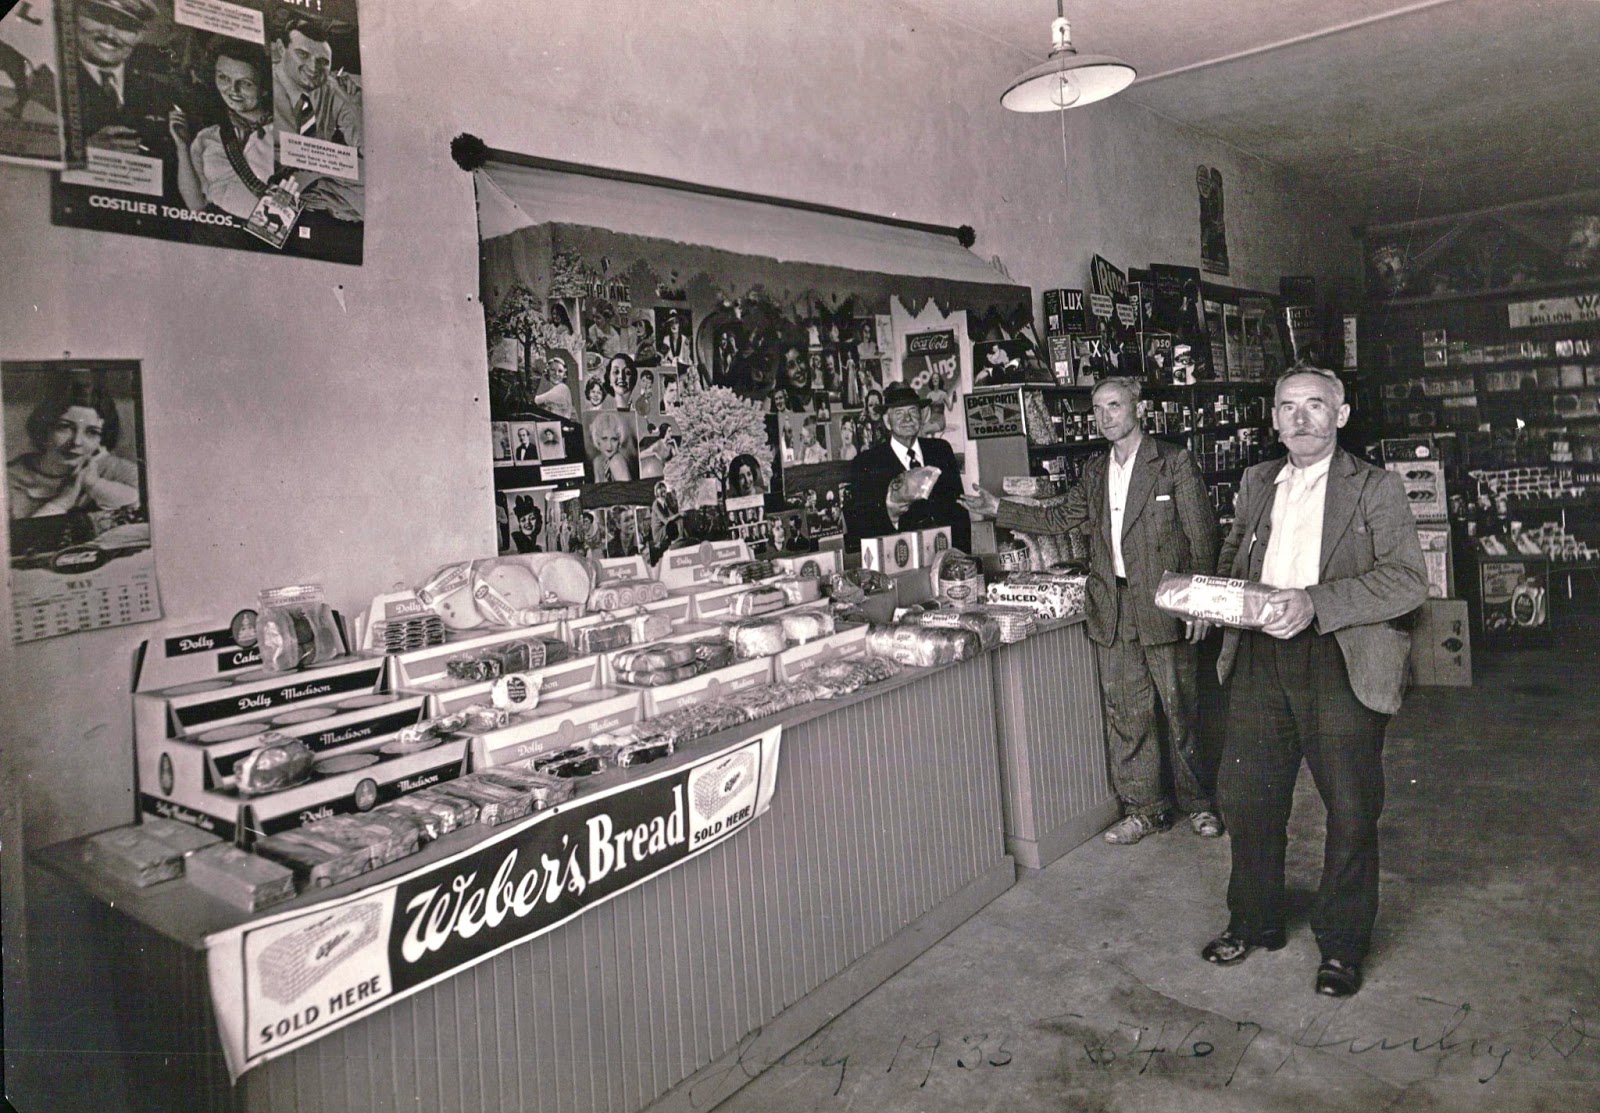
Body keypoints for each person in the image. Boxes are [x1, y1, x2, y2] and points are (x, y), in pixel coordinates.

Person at [1196, 368, 1426, 998]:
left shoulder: (1376, 487)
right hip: (1259, 660)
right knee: (1248, 798)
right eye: (1288, 406)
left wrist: (1316, 602)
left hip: (1337, 657)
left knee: (1351, 808)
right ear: (1273, 417)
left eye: (1315, 406)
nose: (1300, 418)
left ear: (1341, 415)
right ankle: (1254, 919)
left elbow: (1408, 580)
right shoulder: (1256, 481)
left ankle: (1343, 946)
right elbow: (1235, 552)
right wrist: (1214, 599)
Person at [965, 376, 1221, 845]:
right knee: (1128, 714)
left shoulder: (1173, 463)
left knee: (1182, 709)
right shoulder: (1095, 470)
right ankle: (1144, 809)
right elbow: (1058, 517)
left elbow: (1203, 537)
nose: (1105, 416)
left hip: (1166, 605)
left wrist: (1201, 604)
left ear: (1137, 409)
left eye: (1114, 405)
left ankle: (1200, 802)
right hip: (1114, 606)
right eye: (1098, 409)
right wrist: (998, 508)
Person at [70, 0, 180, 192]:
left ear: (138, 36)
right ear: (75, 18)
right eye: (99, 17)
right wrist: (82, 151)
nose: (110, 34)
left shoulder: (160, 93)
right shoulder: (47, 82)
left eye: (125, 25)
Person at [846, 382, 970, 552]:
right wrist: (891, 513)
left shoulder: (941, 450)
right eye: (899, 413)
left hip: (945, 557)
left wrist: (963, 556)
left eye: (912, 411)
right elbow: (861, 528)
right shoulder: (866, 464)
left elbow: (959, 512)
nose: (907, 419)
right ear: (887, 421)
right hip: (899, 562)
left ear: (922, 417)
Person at [270, 11, 362, 222]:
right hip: (282, 190)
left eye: (322, 61)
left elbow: (365, 144)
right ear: (281, 49)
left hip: (318, 188)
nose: (313, 67)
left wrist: (347, 98)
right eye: (302, 54)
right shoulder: (264, 87)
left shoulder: (331, 88)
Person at [169, 41, 278, 220]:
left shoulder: (283, 136)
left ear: (264, 87)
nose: (232, 90)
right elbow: (196, 205)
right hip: (218, 233)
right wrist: (182, 147)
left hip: (263, 240)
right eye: (223, 78)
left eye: (246, 83)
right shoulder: (207, 137)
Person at [8, 374, 141, 520]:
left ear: (101, 439)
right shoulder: (8, 479)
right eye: (64, 427)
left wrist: (93, 484)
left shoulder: (123, 472)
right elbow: (23, 539)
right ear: (44, 428)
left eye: (92, 432)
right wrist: (64, 500)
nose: (77, 442)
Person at [588, 410, 634, 481]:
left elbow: (627, 490)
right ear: (597, 439)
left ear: (619, 440)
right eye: (604, 439)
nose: (609, 446)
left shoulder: (617, 461)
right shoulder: (597, 461)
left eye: (614, 439)